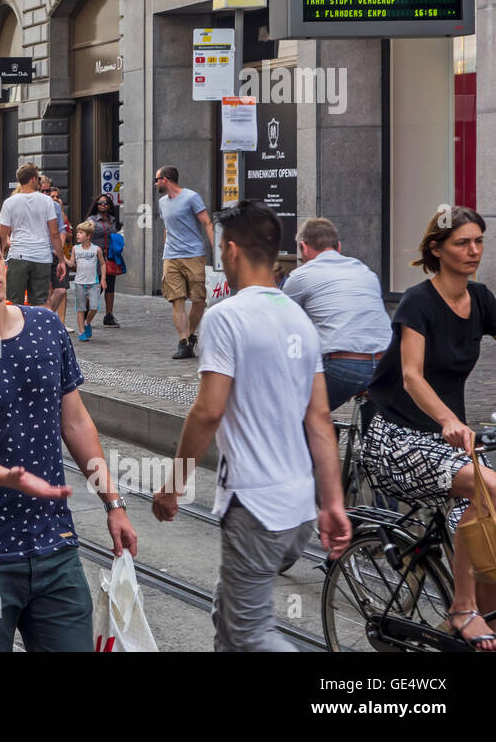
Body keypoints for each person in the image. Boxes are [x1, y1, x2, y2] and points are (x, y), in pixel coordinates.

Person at [0, 216, 136, 651]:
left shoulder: (47, 328)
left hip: (55, 547)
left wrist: (114, 502)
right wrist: (5, 476)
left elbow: (75, 423)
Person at [153, 200, 351, 651]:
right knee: (229, 619)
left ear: (234, 251)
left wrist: (174, 484)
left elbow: (208, 410)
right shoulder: (299, 318)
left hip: (256, 505)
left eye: (223, 248)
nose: (222, 256)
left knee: (250, 634)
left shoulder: (226, 316)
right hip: (298, 507)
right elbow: (319, 418)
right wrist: (333, 501)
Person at [361, 206, 496, 649]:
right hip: (396, 438)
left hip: (445, 444)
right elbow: (412, 376)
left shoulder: (479, 299)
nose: (473, 250)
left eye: (478, 240)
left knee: (489, 536)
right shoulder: (418, 301)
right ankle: (461, 609)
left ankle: (480, 622)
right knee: (487, 487)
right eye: (462, 242)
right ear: (436, 249)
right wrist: (450, 420)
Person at [281, 217, 392, 411]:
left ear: (304, 248)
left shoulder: (301, 276)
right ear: (338, 247)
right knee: (376, 422)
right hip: (386, 365)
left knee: (299, 414)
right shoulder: (365, 272)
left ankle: (319, 438)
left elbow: (281, 323)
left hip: (345, 365)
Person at [155, 166, 214, 360]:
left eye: (157, 180)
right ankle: (183, 342)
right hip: (171, 257)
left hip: (193, 255)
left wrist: (217, 250)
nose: (155, 184)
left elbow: (207, 223)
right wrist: (166, 251)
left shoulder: (191, 197)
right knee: (176, 299)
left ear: (166, 180)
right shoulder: (162, 202)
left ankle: (190, 335)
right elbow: (167, 228)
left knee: (198, 300)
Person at [0, 164, 66, 308]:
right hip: (41, 256)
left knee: (14, 302)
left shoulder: (9, 202)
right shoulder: (47, 201)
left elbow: (2, 235)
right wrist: (61, 260)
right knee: (41, 302)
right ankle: (39, 329)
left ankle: (17, 330)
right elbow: (54, 233)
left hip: (18, 256)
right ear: (33, 179)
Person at [40, 177, 73, 330]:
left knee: (61, 290)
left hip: (55, 253)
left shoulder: (55, 206)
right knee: (45, 293)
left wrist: (58, 251)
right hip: (40, 253)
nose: (46, 193)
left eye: (48, 190)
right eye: (43, 191)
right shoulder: (34, 205)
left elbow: (62, 230)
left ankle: (46, 318)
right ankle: (47, 322)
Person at [65, 221, 106, 342]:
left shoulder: (96, 249)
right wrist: (62, 257)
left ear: (88, 236)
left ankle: (87, 322)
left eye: (80, 233)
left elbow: (103, 264)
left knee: (94, 307)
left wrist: (103, 279)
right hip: (79, 283)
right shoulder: (75, 249)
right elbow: (72, 264)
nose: (77, 235)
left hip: (93, 282)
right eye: (77, 233)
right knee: (80, 308)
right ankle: (82, 332)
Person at [86, 194, 123, 327]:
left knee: (110, 287)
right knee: (97, 287)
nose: (103, 205)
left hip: (111, 256)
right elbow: (86, 237)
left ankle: (109, 315)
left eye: (106, 203)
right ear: (96, 205)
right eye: (100, 203)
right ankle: (86, 312)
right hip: (96, 258)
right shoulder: (92, 220)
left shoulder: (113, 220)